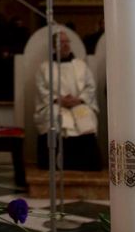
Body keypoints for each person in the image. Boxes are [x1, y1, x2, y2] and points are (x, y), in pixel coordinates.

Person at [34, 30, 102, 171]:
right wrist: (58, 99)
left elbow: (90, 86)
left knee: (87, 115)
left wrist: (79, 99)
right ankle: (53, 164)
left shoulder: (81, 65)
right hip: (56, 104)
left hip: (78, 103)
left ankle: (86, 164)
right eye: (61, 42)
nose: (65, 45)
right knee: (53, 117)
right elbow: (41, 89)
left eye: (67, 42)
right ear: (54, 46)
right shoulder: (45, 67)